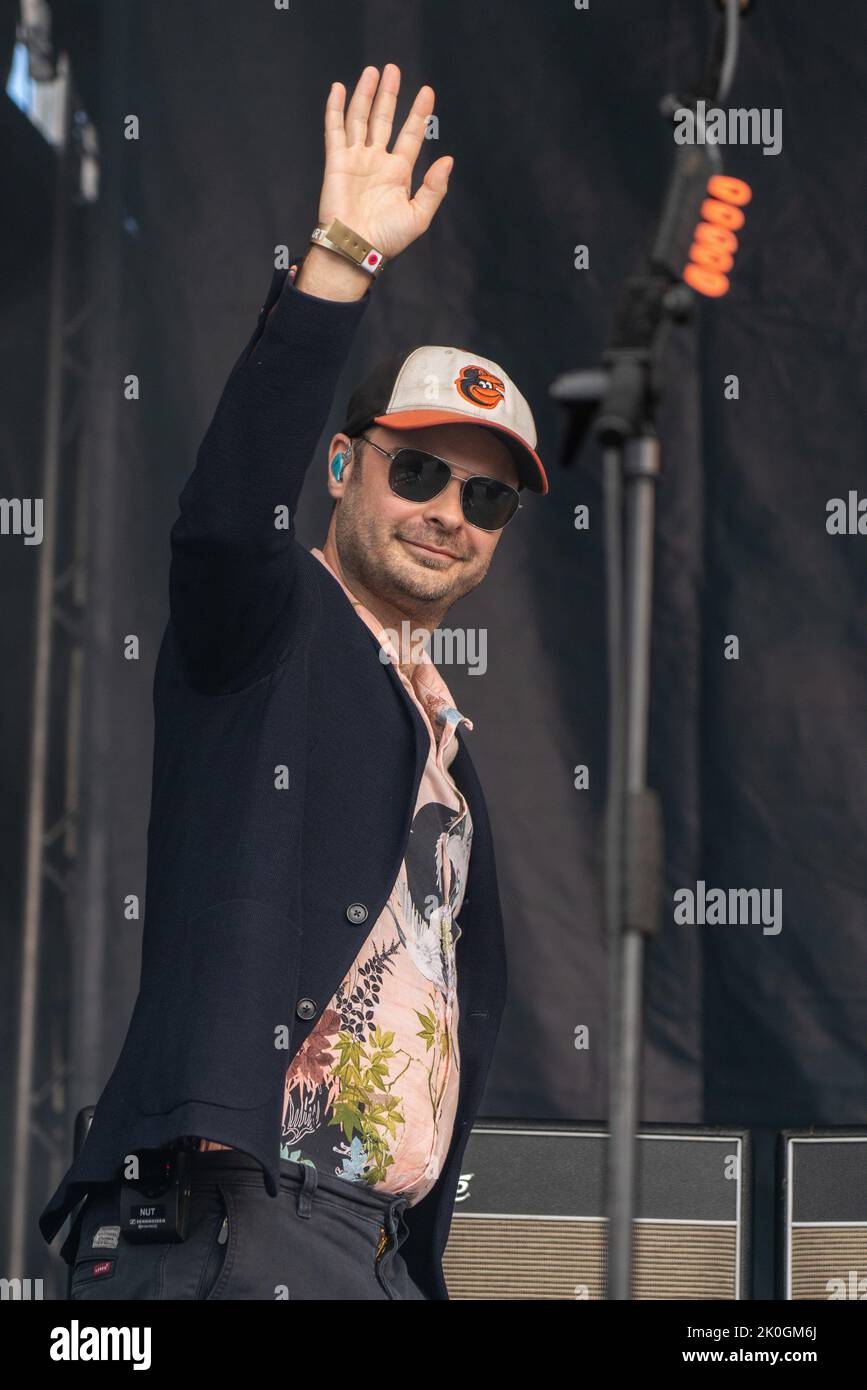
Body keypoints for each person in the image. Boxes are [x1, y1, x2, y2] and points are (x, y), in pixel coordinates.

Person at [38, 61, 548, 1301]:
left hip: (371, 1249)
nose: (447, 513)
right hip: (241, 1221)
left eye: (483, 498)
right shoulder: (272, 620)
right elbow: (224, 520)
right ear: (341, 465)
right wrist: (339, 263)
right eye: (417, 472)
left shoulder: (439, 734)